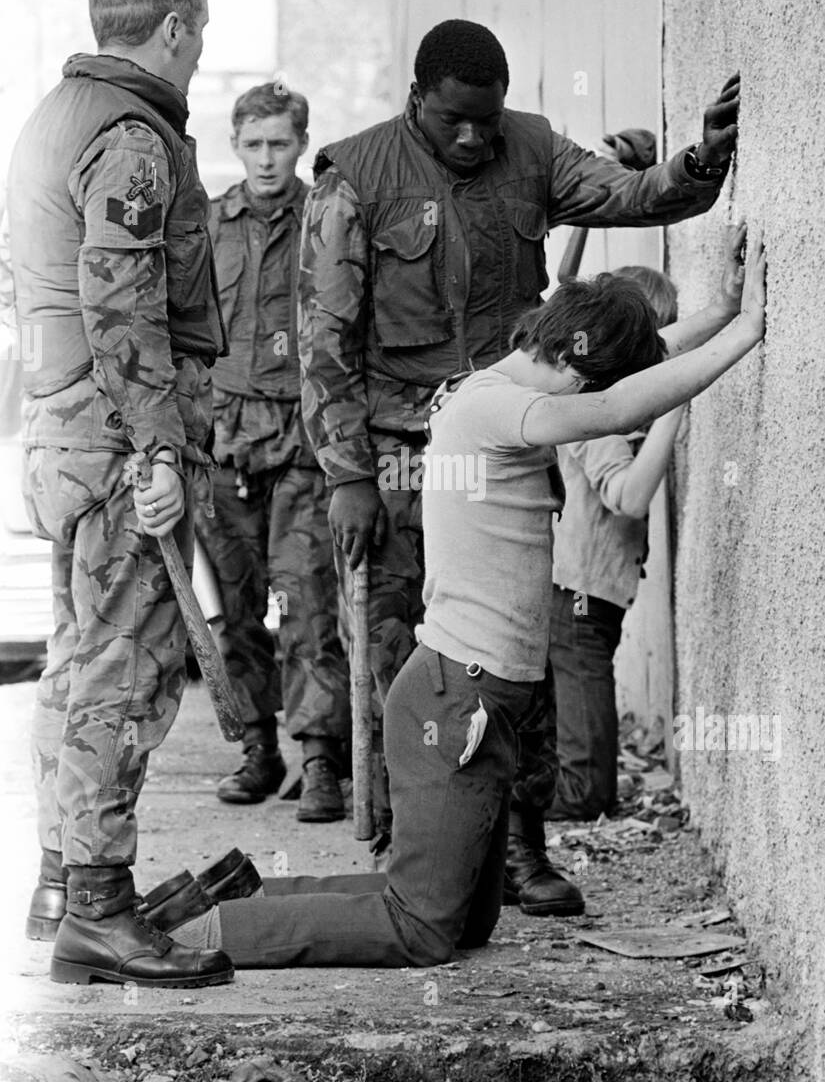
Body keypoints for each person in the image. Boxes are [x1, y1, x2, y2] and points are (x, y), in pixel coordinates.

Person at [166, 234, 767, 969]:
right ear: (571, 351)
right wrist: (746, 334)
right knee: (421, 929)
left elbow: (623, 367)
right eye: (586, 378)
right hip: (456, 702)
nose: (585, 396)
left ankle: (225, 898)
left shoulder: (502, 388)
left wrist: (722, 310)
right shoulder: (502, 411)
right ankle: (196, 937)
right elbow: (612, 405)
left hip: (479, 698)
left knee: (467, 917)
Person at [298, 17, 740, 910]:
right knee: (403, 655)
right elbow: (322, 343)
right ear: (417, 98)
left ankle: (520, 846)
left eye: (486, 122)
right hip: (399, 456)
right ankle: (413, 847)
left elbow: (630, 195)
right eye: (454, 120)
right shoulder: (354, 180)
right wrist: (346, 475)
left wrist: (699, 161)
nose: (472, 137)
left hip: (503, 439)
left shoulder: (531, 148)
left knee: (516, 652)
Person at [6, 0, 234, 987]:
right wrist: (159, 445)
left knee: (74, 661)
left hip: (60, 429)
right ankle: (99, 905)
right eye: (202, 30)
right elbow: (120, 300)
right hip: (114, 435)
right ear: (178, 28)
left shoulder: (54, 116)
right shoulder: (134, 137)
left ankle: (62, 878)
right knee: (120, 672)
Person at [548, 227, 748, 820]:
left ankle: (577, 792)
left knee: (580, 700)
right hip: (577, 587)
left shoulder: (604, 404)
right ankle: (579, 799)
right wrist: (674, 402)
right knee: (583, 720)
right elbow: (630, 499)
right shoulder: (596, 417)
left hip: (595, 585)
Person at [195, 85, 351, 821]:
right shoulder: (205, 226)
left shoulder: (326, 218)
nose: (266, 158)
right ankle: (259, 750)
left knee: (307, 604)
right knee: (235, 607)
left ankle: (320, 758)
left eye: (279, 143)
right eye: (253, 144)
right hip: (222, 441)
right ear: (235, 145)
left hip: (300, 438)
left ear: (300, 143)